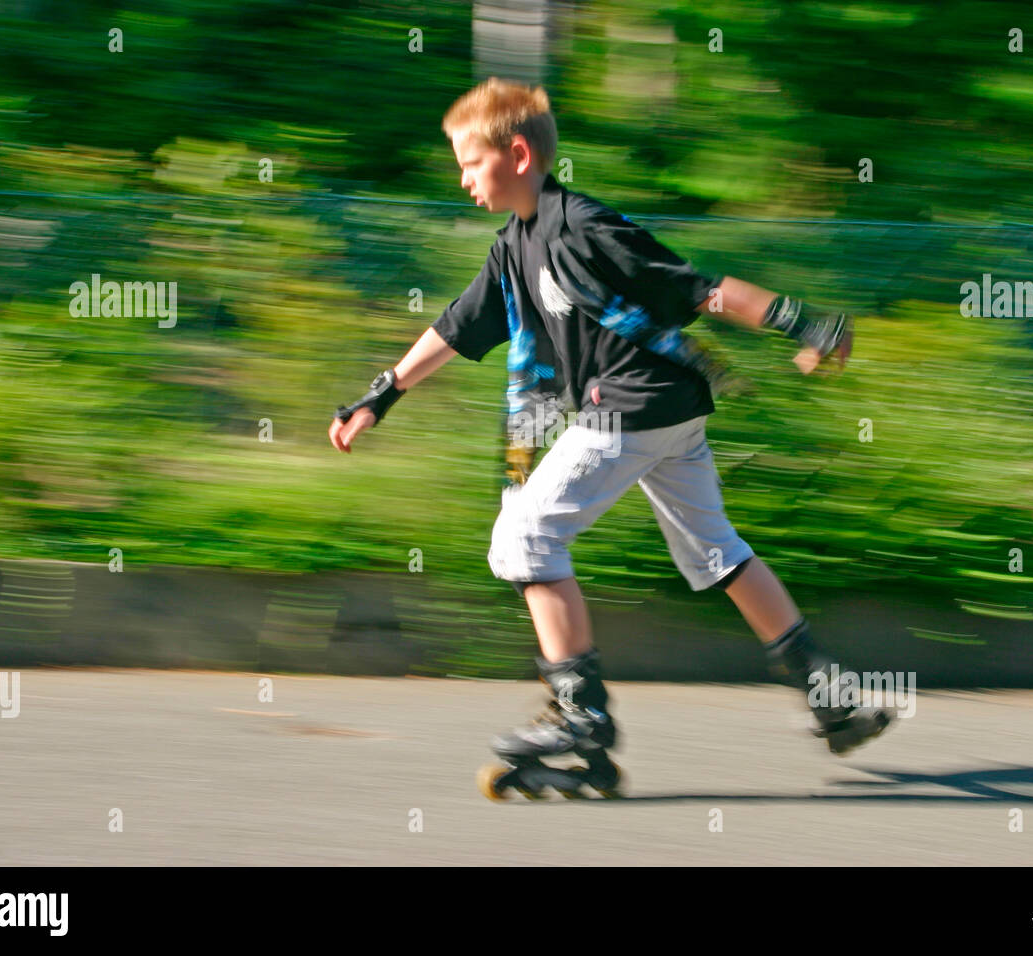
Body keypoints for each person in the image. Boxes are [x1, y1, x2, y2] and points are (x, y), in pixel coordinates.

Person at [329, 78, 890, 793]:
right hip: (667, 415)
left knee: (525, 539)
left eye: (470, 161)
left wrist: (804, 323)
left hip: (632, 408)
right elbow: (457, 325)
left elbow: (699, 288)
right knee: (715, 550)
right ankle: (828, 696)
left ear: (520, 154)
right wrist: (380, 395)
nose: (462, 177)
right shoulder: (516, 246)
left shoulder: (585, 227)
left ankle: (580, 717)